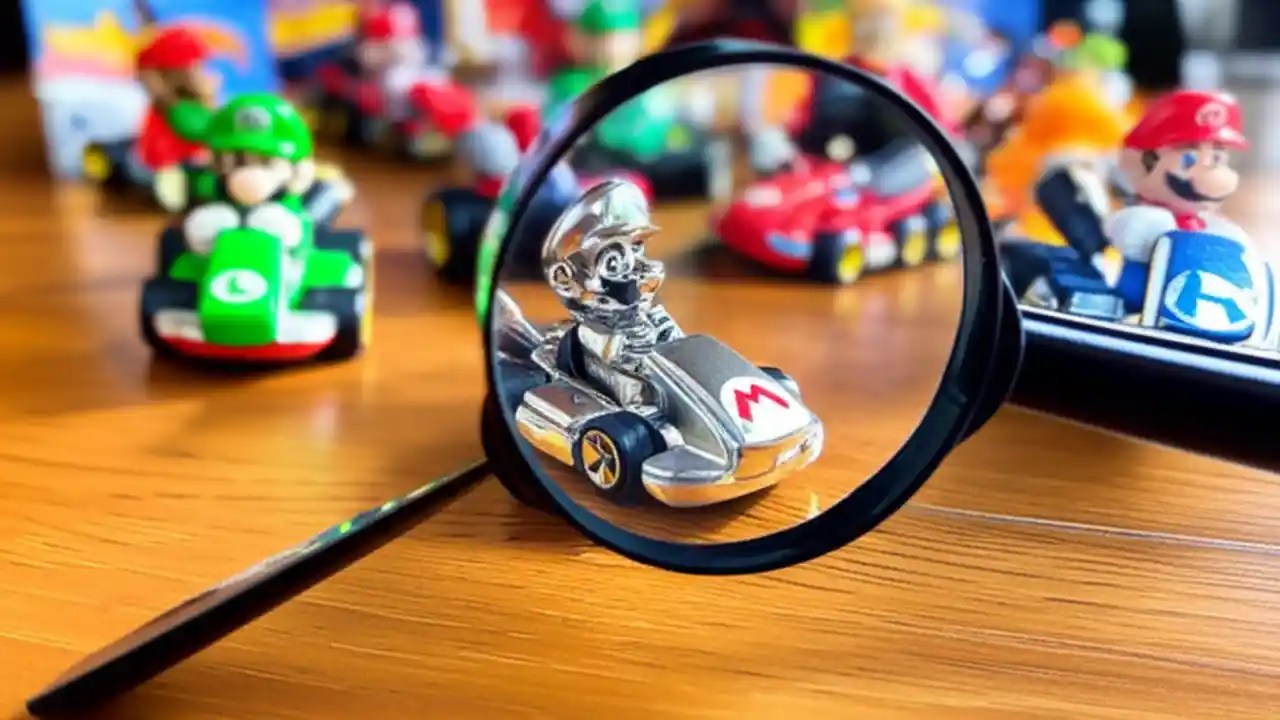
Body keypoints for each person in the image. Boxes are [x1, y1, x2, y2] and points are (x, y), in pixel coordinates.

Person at [1106, 89, 1250, 311]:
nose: (1211, 171)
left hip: (1199, 312)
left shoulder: (1214, 227)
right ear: (1146, 160)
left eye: (1218, 157)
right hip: (1136, 311)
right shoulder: (1144, 220)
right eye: (1190, 157)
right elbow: (1128, 236)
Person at [540, 179, 682, 404]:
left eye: (637, 248)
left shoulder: (654, 321)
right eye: (614, 261)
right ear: (565, 279)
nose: (641, 270)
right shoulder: (590, 340)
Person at [181, 94, 319, 256]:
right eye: (239, 160)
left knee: (279, 225)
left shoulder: (292, 194)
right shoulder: (213, 182)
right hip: (220, 248)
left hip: (283, 254)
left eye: (265, 161)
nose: (249, 172)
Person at [135, 25, 219, 209]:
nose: (206, 74)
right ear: (180, 74)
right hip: (175, 167)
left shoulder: (185, 105)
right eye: (199, 68)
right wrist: (211, 100)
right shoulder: (178, 108)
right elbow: (205, 132)